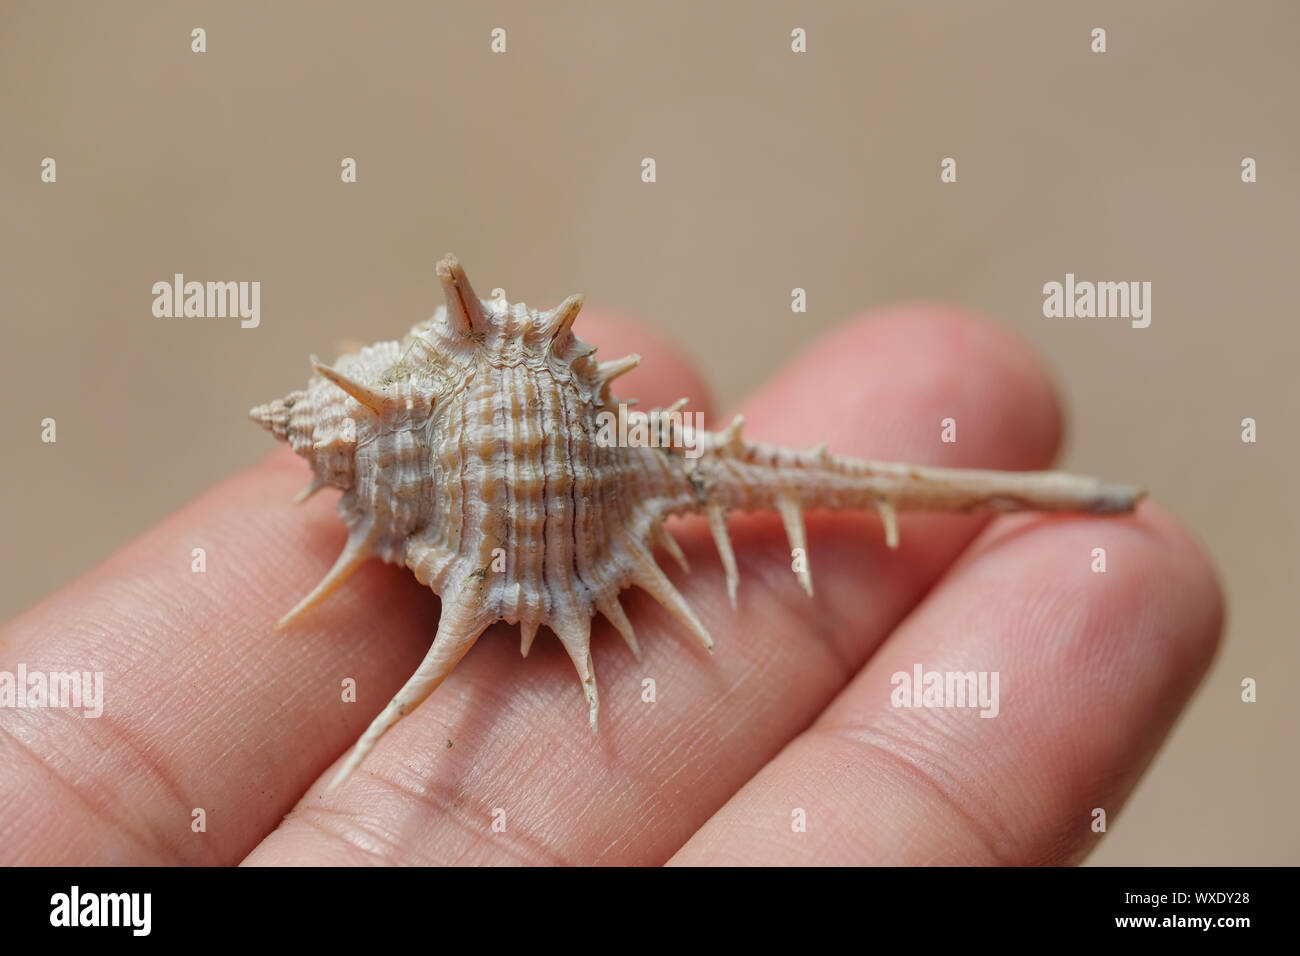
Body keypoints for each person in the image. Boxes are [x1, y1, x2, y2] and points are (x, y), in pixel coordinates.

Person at [0, 305, 1222, 865]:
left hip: (560, 461)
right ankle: (1050, 494)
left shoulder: (448, 407)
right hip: (535, 469)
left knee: (790, 471)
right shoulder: (430, 452)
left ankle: (1046, 495)